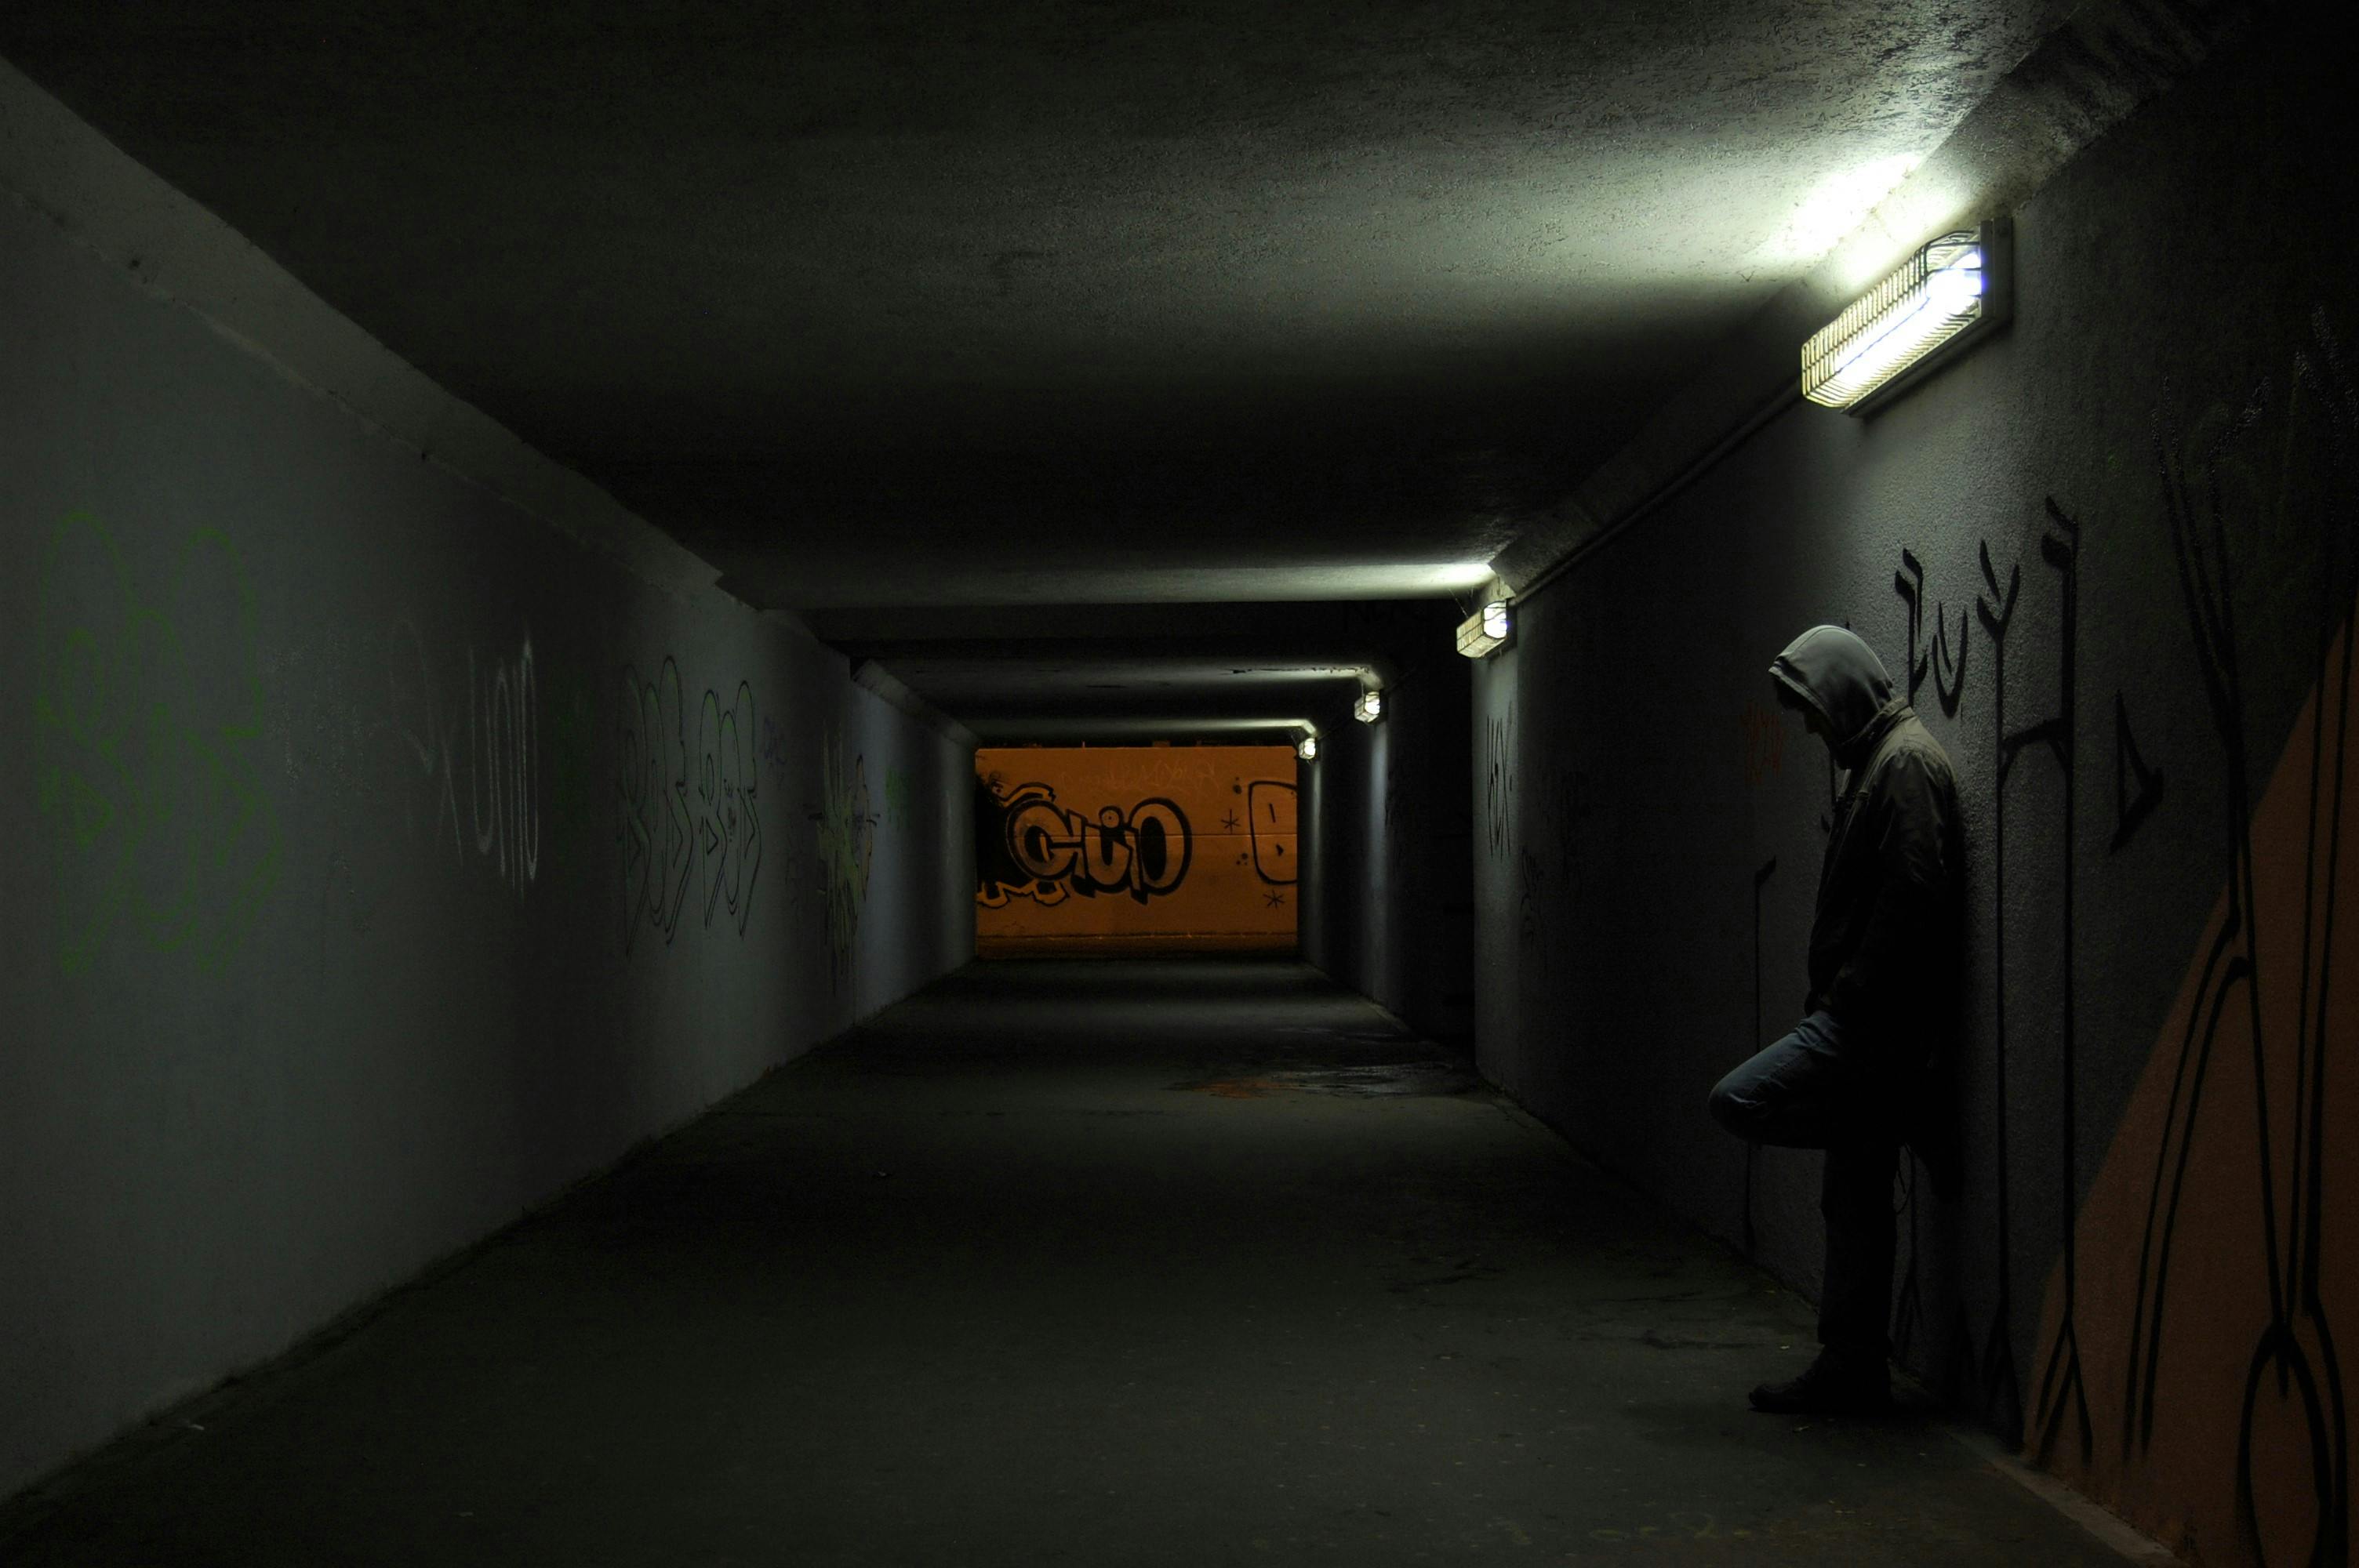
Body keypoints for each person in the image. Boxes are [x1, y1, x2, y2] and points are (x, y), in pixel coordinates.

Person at [1707, 625, 1961, 1414]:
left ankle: (1896, 1106)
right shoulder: (1880, 762)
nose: (1811, 729)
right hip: (1867, 1020)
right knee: (1851, 1204)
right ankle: (1852, 1362)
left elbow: (1914, 894)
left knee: (1736, 1100)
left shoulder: (1904, 765)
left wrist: (1853, 991)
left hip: (1864, 1024)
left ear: (1842, 690)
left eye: (1812, 709)